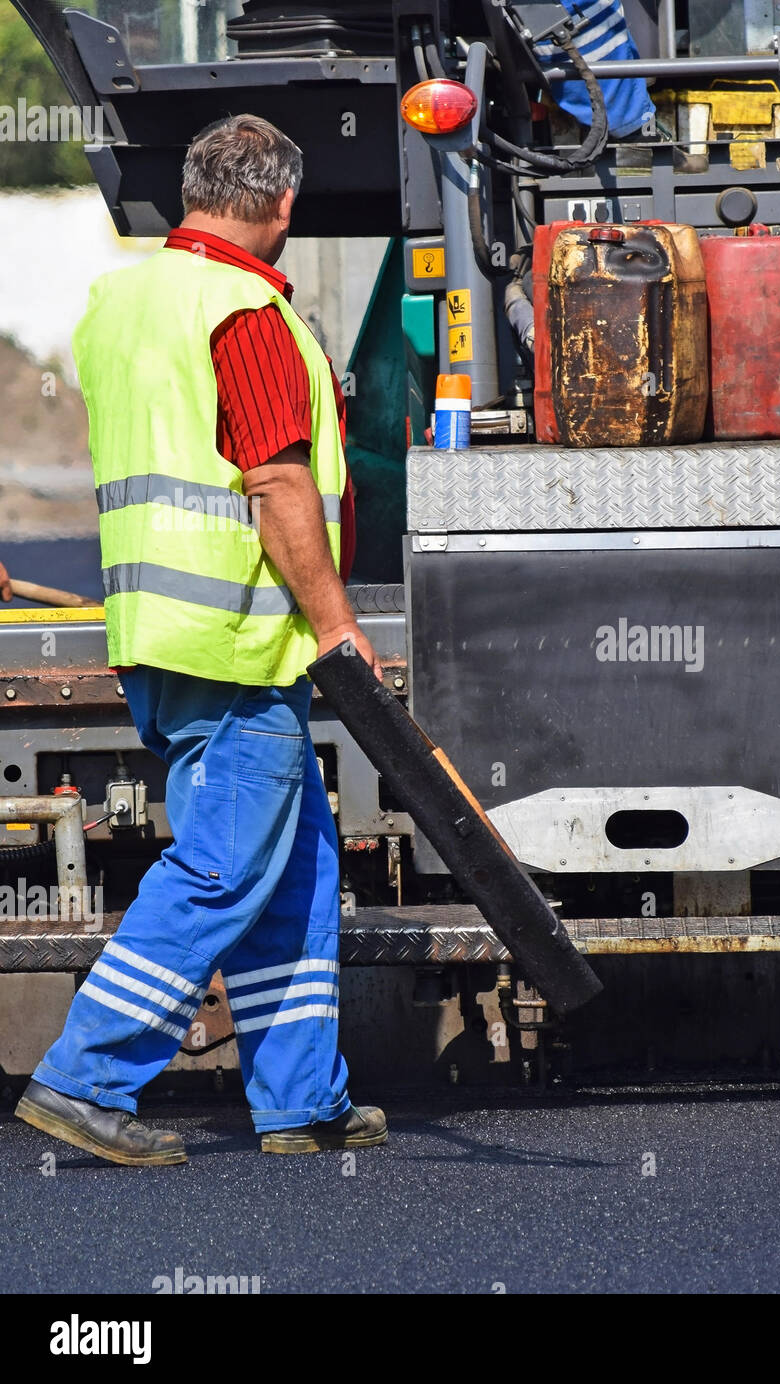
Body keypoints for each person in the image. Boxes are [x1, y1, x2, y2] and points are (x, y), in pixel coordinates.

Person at [16, 115, 386, 1166]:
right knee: (227, 866)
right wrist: (337, 625)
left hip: (158, 625)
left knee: (301, 865)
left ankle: (299, 1098)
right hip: (236, 638)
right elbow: (273, 481)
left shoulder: (123, 297)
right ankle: (83, 1078)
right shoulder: (245, 309)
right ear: (282, 206)